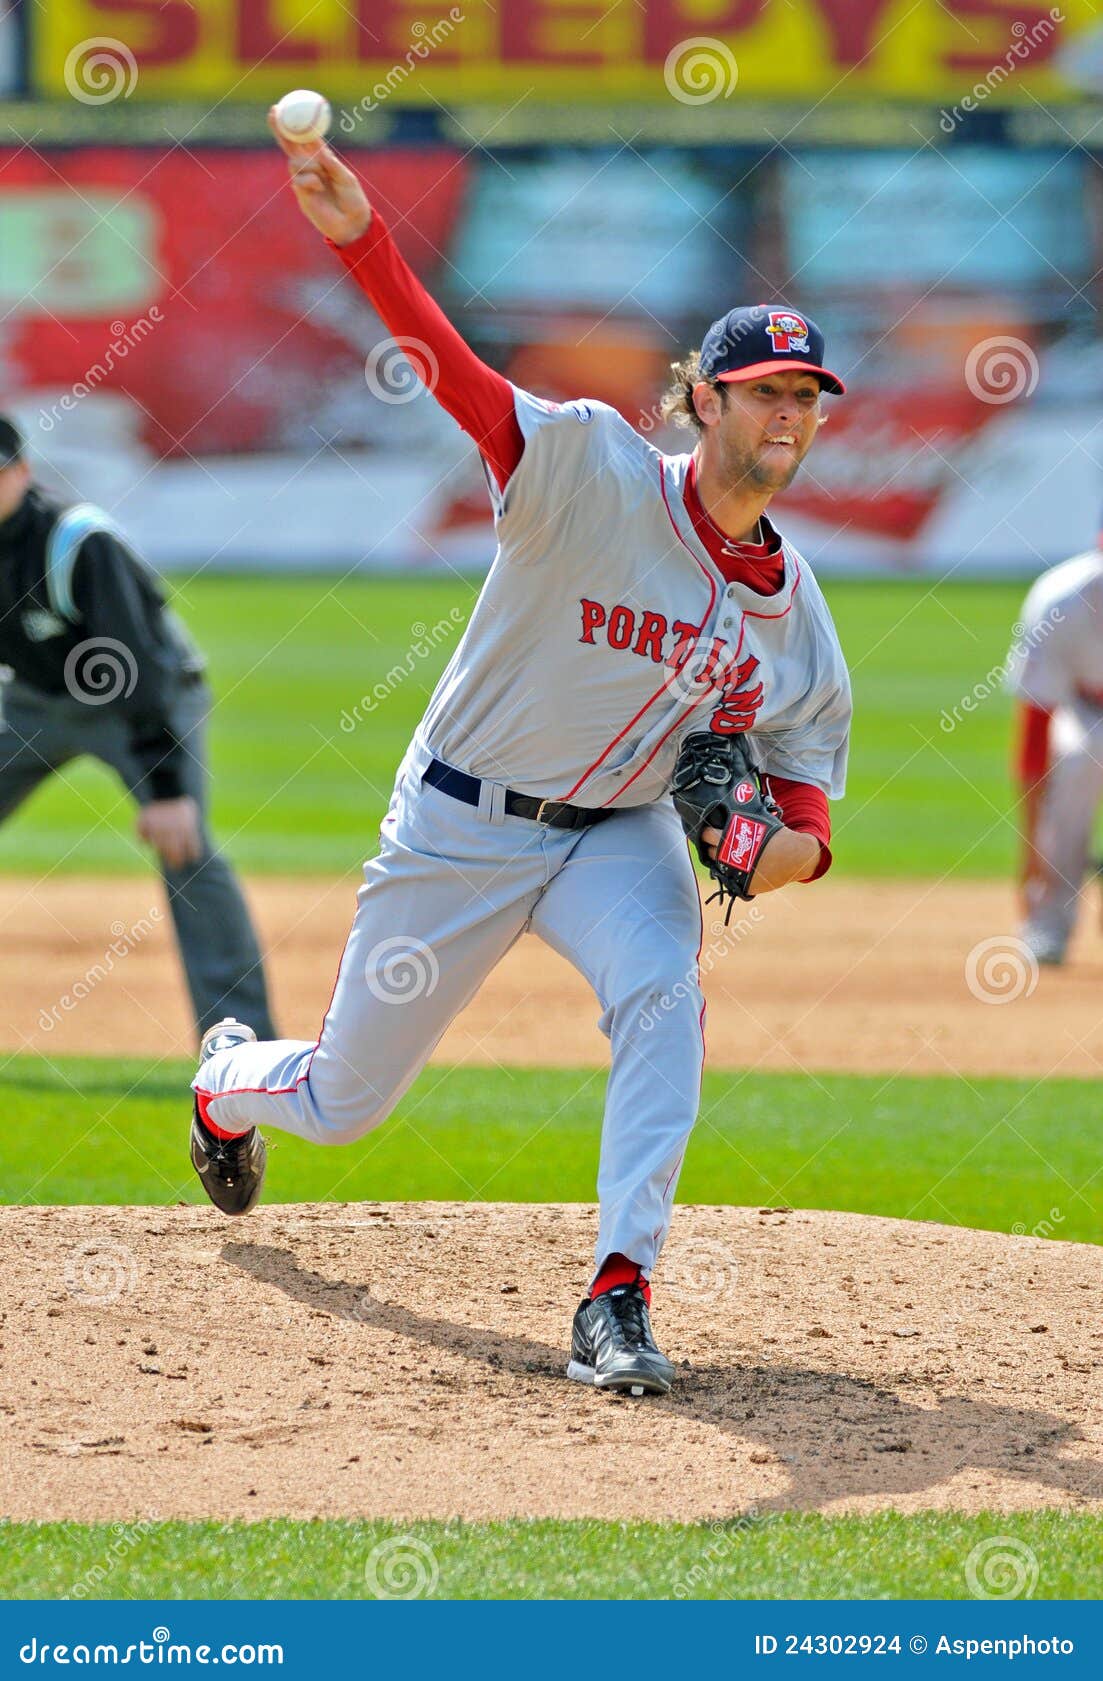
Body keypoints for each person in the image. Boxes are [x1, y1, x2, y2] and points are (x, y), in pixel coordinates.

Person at [188, 121, 852, 1399]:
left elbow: (805, 809)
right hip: (460, 822)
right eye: (763, 390)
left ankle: (617, 1291)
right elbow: (456, 376)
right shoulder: (589, 469)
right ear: (703, 400)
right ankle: (228, 1080)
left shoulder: (795, 615)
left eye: (804, 396)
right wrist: (363, 242)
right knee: (342, 1102)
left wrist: (767, 851)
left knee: (662, 997)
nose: (786, 413)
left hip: (616, 834)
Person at [0, 415, 275, 1043]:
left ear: (23, 471)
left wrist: (167, 786)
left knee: (185, 849)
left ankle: (243, 1044)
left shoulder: (78, 541)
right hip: (34, 703)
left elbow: (137, 663)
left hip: (141, 704)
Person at [1008, 540, 1103, 965]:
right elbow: (1035, 727)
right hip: (1082, 708)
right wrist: (1029, 851)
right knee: (1080, 758)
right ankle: (1048, 921)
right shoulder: (1060, 599)